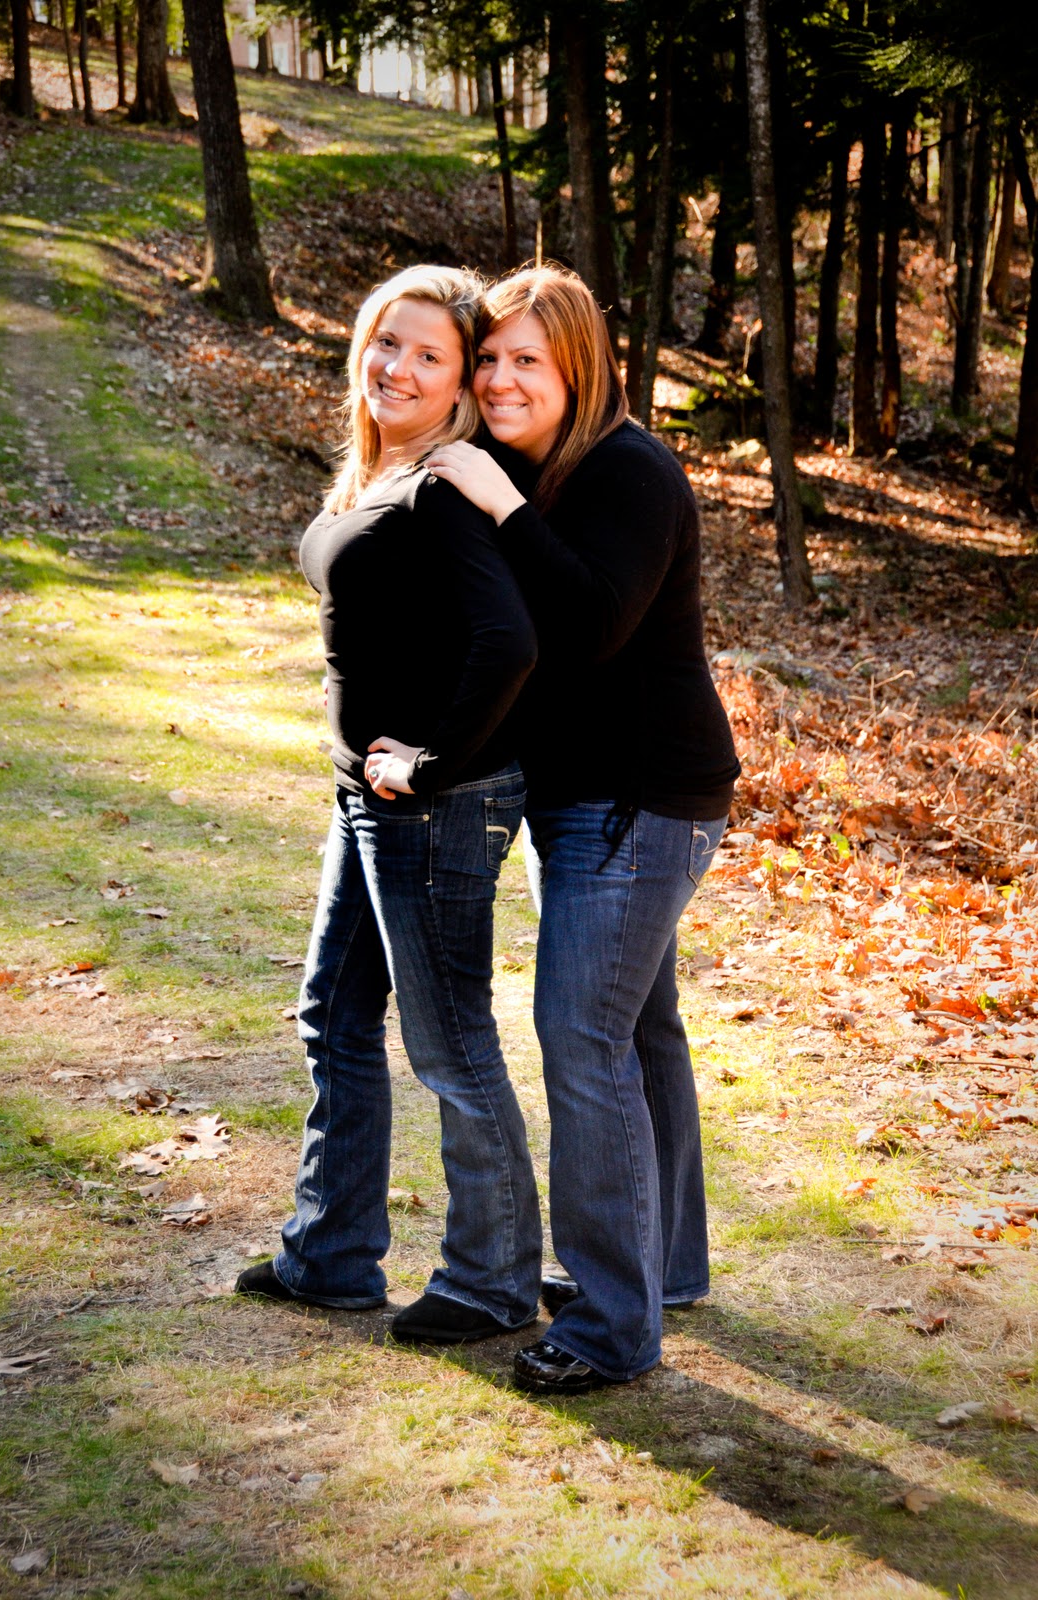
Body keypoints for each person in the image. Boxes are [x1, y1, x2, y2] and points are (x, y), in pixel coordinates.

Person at [426, 265, 740, 1393]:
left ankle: (613, 1328)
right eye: (491, 359)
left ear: (577, 368)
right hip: (589, 798)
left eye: (526, 362)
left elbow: (597, 623)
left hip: (642, 796)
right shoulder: (537, 467)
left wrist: (499, 502)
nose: (502, 380)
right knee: (640, 1029)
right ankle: (666, 1266)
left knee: (581, 1035)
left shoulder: (627, 471)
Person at [235, 264, 543, 1345]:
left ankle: (495, 1281)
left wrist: (431, 758)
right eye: (385, 342)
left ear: (460, 383)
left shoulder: (444, 485)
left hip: (434, 802)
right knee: (333, 1017)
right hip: (365, 796)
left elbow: (509, 639)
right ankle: (328, 1254)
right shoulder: (381, 473)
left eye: (428, 355)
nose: (397, 367)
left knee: (450, 1042)